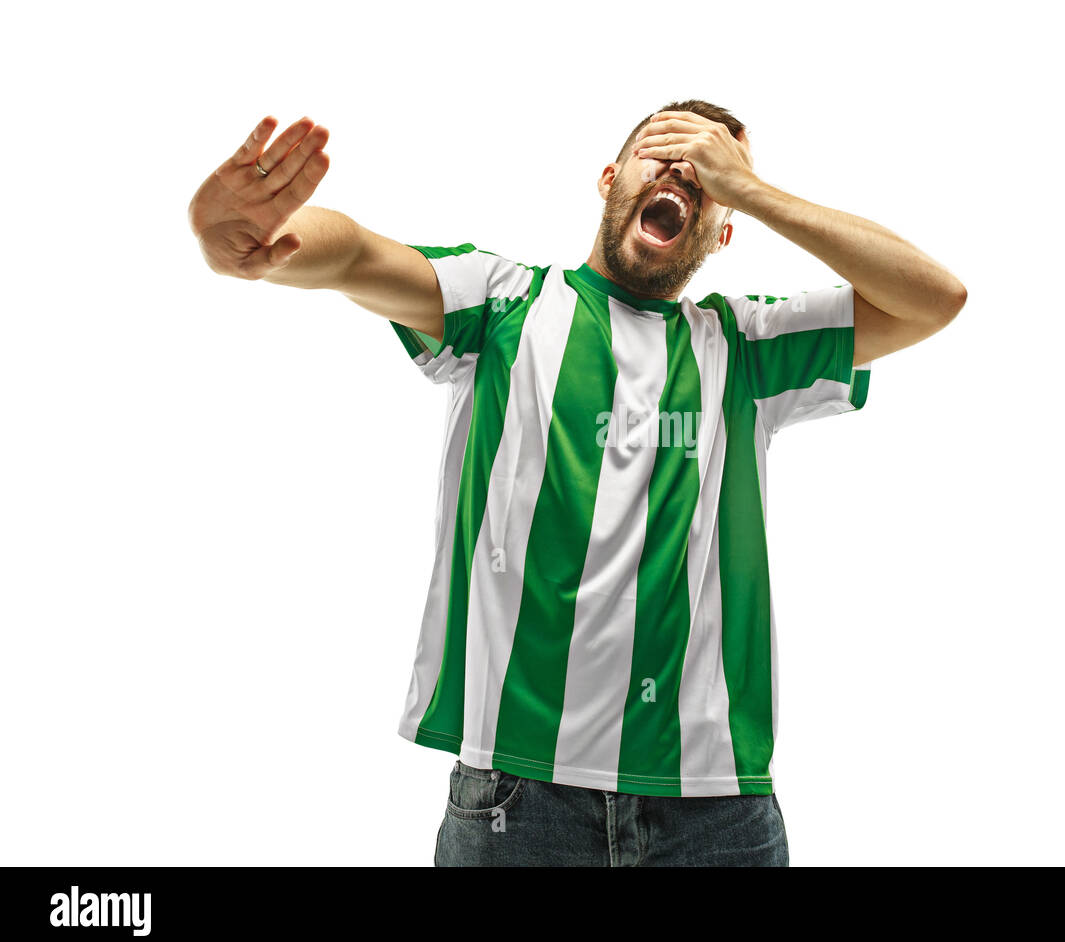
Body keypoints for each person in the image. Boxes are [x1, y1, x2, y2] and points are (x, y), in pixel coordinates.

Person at [188, 98, 967, 866]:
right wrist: (262, 240)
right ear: (609, 178)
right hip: (519, 801)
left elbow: (936, 298)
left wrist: (756, 189)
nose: (685, 173)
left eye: (710, 174)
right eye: (662, 152)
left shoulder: (747, 347)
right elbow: (356, 254)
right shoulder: (502, 304)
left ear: (725, 229)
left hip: (718, 811)